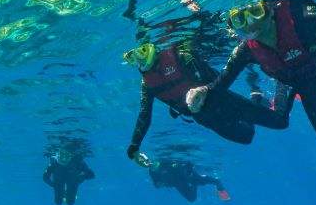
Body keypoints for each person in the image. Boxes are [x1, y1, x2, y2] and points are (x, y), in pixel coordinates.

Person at [186, 0, 316, 145]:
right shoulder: (246, 49)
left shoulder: (300, 13)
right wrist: (203, 91)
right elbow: (223, 81)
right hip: (301, 84)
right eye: (240, 19)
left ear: (268, 7)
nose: (252, 23)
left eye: (255, 12)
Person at [124, 41, 291, 162]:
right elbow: (144, 114)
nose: (138, 61)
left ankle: (284, 82)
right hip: (204, 117)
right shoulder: (147, 84)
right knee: (247, 136)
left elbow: (219, 79)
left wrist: (204, 91)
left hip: (222, 101)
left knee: (280, 121)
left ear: (150, 47)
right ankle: (257, 95)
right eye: (132, 59)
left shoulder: (182, 56)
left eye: (141, 53)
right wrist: (134, 147)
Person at [138, 154, 230, 203]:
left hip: (187, 175)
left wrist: (189, 171)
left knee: (215, 181)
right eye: (144, 163)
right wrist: (161, 183)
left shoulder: (164, 161)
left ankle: (220, 189)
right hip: (178, 183)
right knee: (192, 198)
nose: (149, 163)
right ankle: (196, 183)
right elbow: (157, 184)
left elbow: (183, 163)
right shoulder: (152, 171)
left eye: (146, 160)